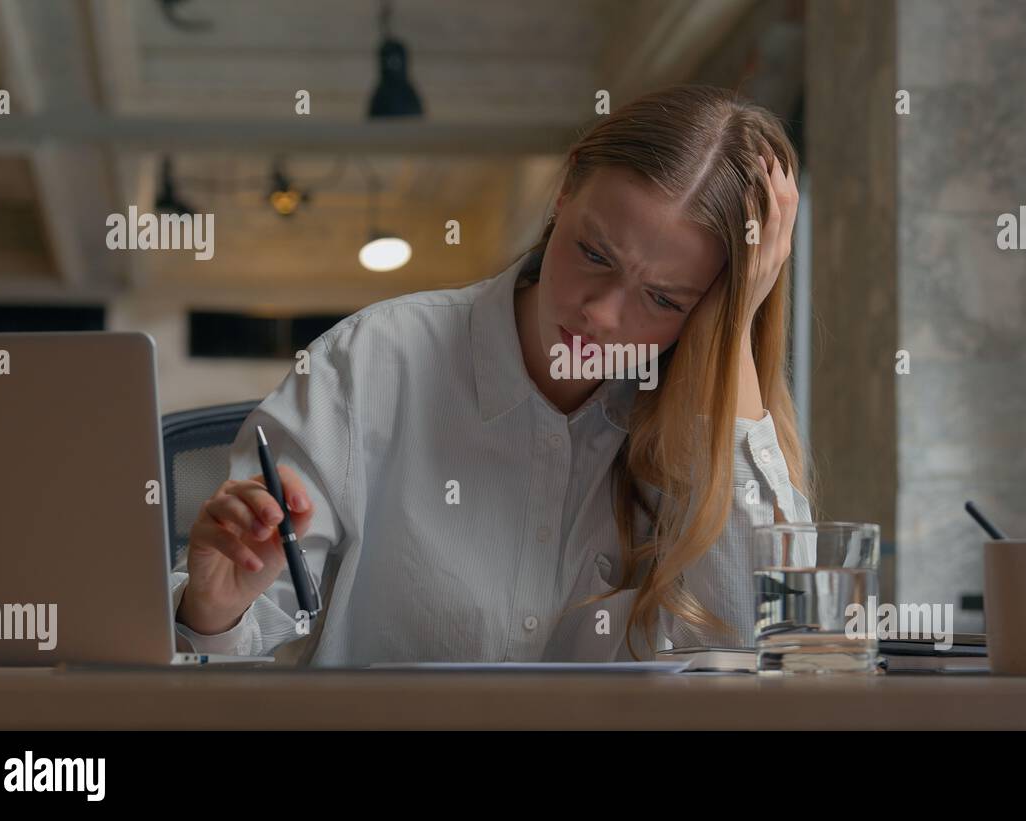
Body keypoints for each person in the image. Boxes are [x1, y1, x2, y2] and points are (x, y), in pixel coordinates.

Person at [171, 84, 815, 665]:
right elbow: (225, 652)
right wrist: (213, 611)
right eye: (594, 253)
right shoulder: (371, 361)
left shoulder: (689, 416)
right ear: (563, 195)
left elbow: (769, 653)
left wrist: (733, 329)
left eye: (665, 299)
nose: (601, 314)